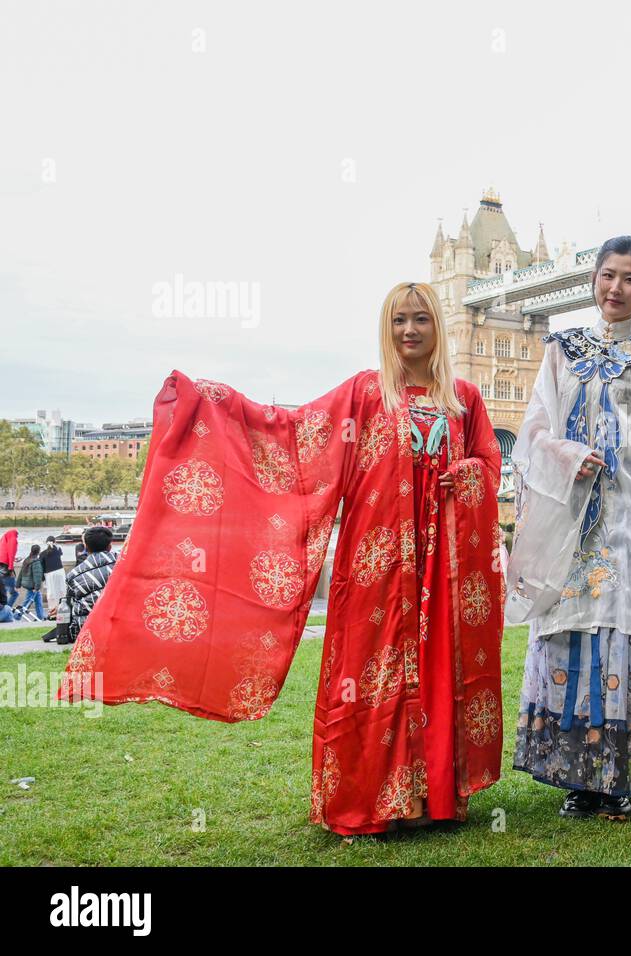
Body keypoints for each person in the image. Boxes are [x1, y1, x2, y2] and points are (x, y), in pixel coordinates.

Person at [58, 281, 505, 835]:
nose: (409, 330)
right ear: (386, 329)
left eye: (420, 319)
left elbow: (488, 461)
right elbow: (291, 437)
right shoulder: (366, 394)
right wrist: (217, 404)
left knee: (437, 668)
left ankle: (431, 799)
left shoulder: (463, 398)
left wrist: (465, 476)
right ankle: (373, 800)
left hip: (443, 568)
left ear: (439, 326)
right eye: (398, 321)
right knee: (370, 673)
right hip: (376, 568)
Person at [506, 236, 631, 821]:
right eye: (606, 276)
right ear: (592, 280)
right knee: (570, 631)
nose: (615, 289)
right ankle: (575, 776)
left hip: (629, 522)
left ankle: (619, 774)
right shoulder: (561, 351)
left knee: (622, 635)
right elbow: (534, 431)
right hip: (573, 520)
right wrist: (566, 455)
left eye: (629, 279)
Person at [65, 526, 119, 640]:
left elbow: (70, 601)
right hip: (119, 625)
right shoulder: (123, 564)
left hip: (87, 631)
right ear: (110, 546)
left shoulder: (73, 575)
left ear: (86, 546)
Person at [16, 544, 45, 621]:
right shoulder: (36, 562)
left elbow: (21, 573)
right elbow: (37, 576)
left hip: (28, 585)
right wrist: (36, 587)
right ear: (38, 551)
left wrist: (17, 585)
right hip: (33, 587)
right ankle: (17, 615)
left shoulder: (27, 560)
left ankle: (40, 617)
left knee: (38, 601)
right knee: (26, 603)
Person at [40, 536, 66, 620]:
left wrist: (42, 578)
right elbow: (60, 554)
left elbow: (42, 566)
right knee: (62, 591)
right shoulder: (58, 550)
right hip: (60, 572)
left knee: (51, 593)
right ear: (54, 542)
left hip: (50, 574)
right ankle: (64, 610)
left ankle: (52, 613)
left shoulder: (43, 554)